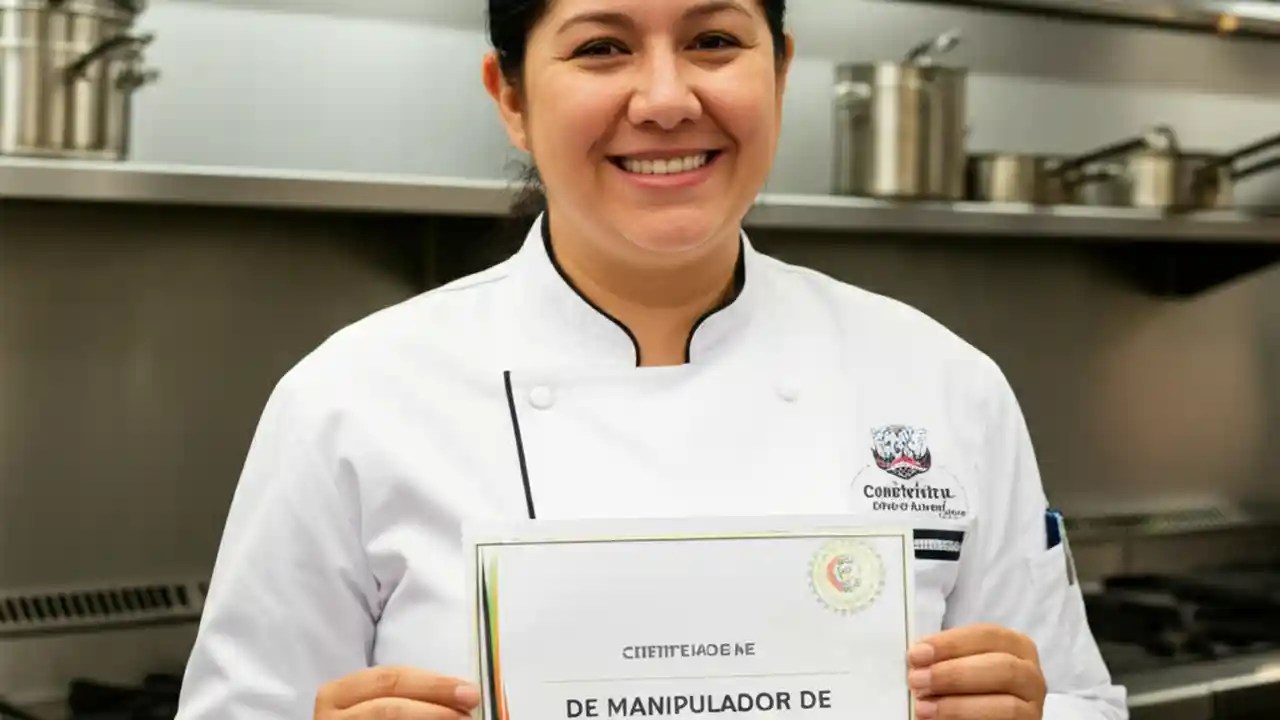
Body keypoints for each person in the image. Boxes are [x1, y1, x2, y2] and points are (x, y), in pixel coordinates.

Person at [174, 1, 1129, 719]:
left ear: (780, 72)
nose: (668, 100)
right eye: (602, 47)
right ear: (510, 97)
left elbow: (1079, 700)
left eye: (713, 40)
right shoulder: (349, 401)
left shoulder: (945, 384)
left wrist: (1033, 713)